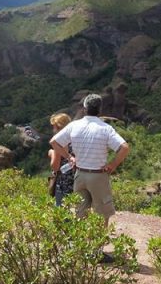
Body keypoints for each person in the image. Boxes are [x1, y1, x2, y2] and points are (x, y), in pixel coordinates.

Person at [50, 93, 130, 229]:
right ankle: (98, 246)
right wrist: (113, 165)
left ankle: (82, 245)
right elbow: (124, 147)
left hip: (80, 174)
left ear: (85, 108)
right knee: (101, 213)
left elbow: (54, 142)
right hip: (98, 175)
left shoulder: (75, 125)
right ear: (100, 109)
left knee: (80, 211)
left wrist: (69, 157)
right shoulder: (105, 129)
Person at [48, 113, 75, 206]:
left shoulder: (58, 142)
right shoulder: (76, 139)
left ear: (59, 127)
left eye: (54, 127)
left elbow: (55, 166)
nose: (53, 130)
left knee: (61, 212)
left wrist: (51, 153)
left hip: (63, 182)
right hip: (77, 179)